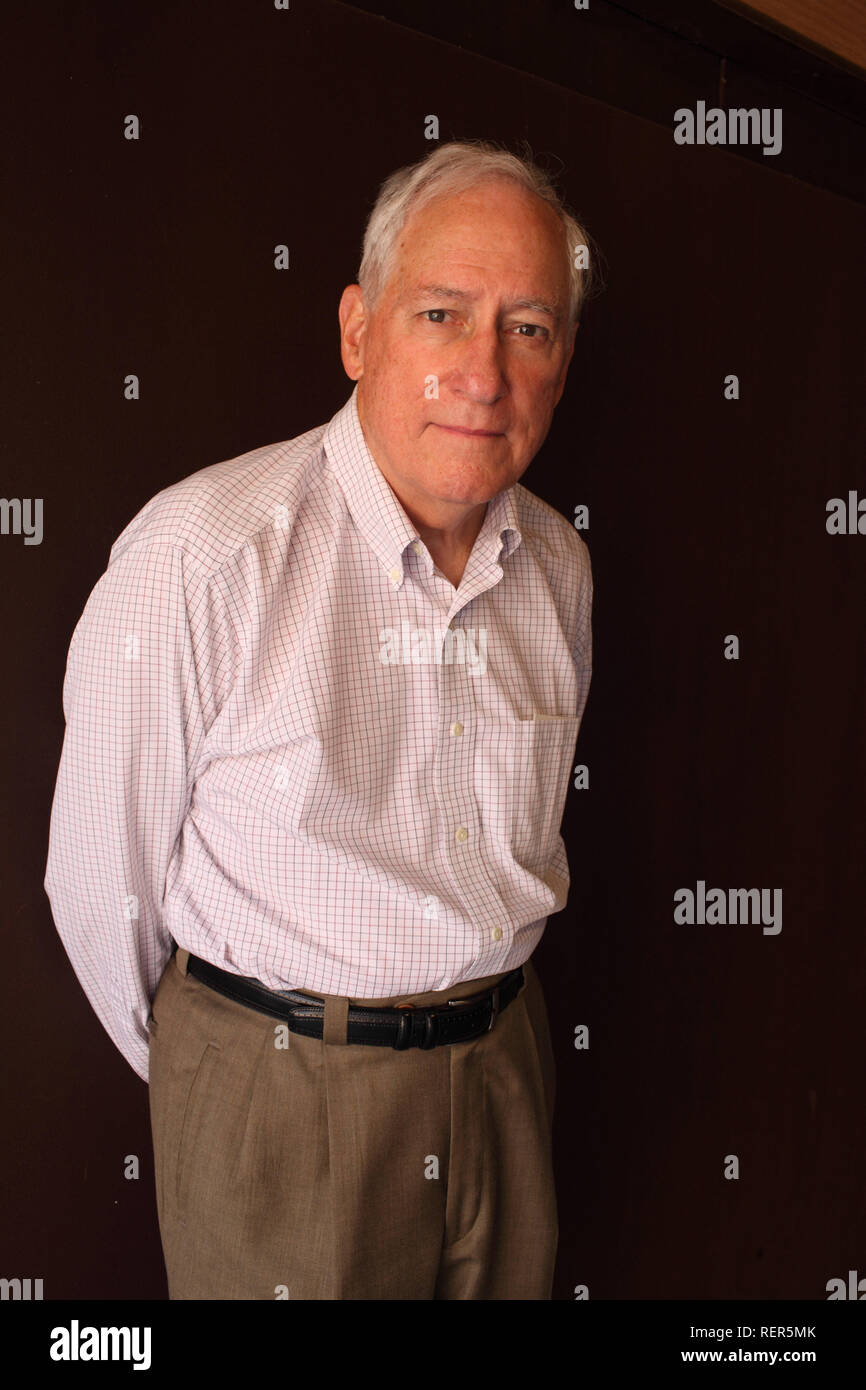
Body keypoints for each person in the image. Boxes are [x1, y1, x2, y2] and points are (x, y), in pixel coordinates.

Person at [43, 138, 594, 1300]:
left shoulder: (560, 565)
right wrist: (225, 1073)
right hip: (277, 1096)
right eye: (440, 313)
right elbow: (101, 891)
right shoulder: (202, 555)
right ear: (357, 330)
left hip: (506, 1072)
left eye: (528, 327)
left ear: (562, 359)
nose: (483, 372)